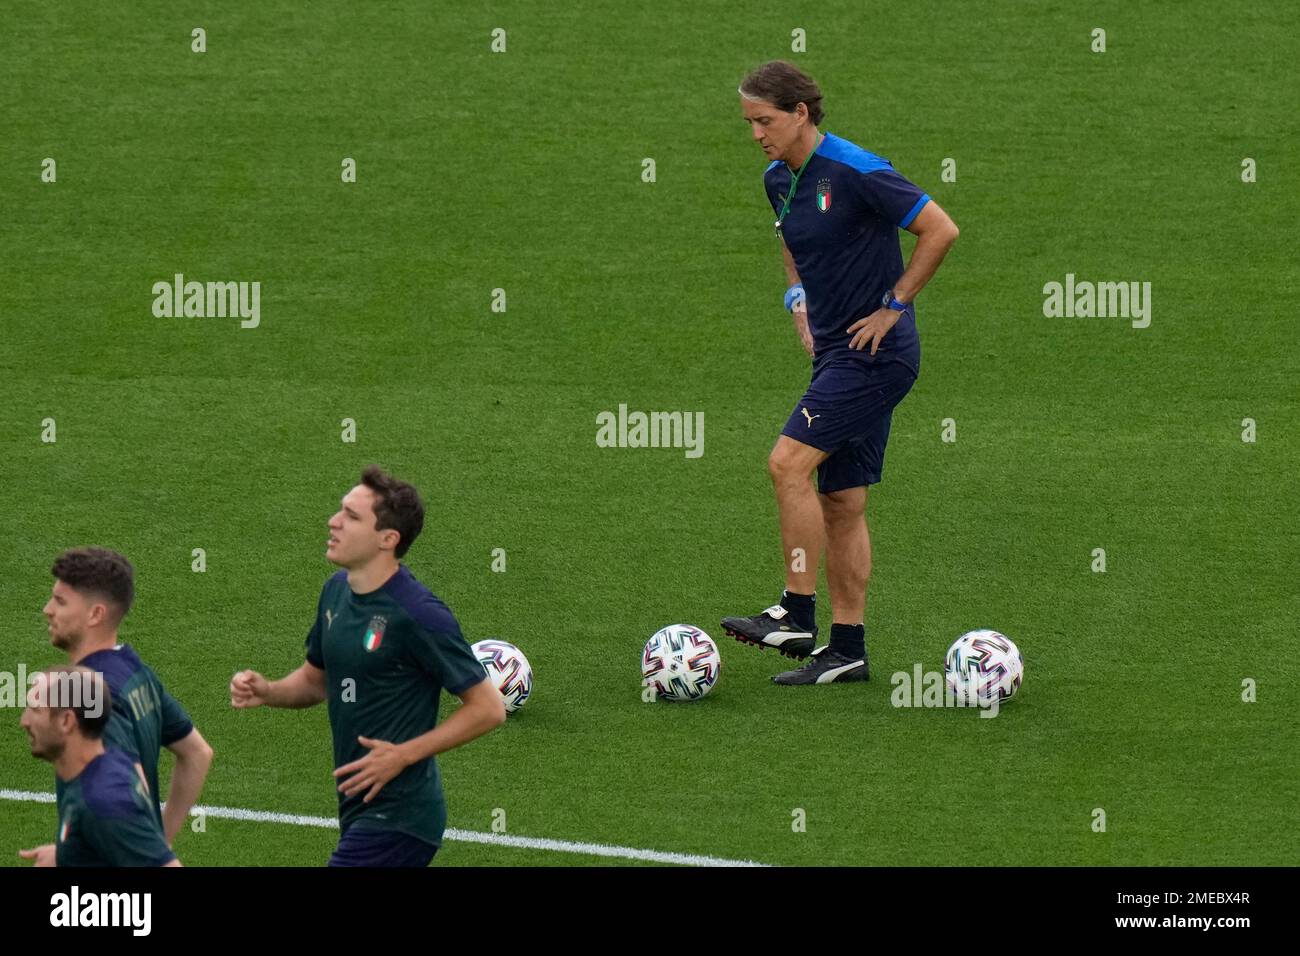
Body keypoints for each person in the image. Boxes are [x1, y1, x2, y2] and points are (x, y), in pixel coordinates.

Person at [724, 61, 960, 685]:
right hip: (834, 351)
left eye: (765, 121)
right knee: (842, 500)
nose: (756, 135)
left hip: (874, 354)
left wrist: (894, 307)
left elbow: (940, 229)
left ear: (801, 113)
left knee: (786, 464)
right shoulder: (780, 178)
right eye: (749, 123)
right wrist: (796, 301)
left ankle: (796, 611)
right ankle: (847, 648)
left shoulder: (858, 170)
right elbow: (791, 239)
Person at [230, 465, 505, 867]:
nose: (333, 521)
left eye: (351, 516)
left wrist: (402, 756)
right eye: (340, 510)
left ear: (387, 539)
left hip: (401, 817)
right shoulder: (336, 593)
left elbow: (488, 708)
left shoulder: (418, 614)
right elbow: (315, 680)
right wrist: (268, 690)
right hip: (358, 809)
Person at [22, 547, 212, 867]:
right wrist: (158, 839)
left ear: (95, 614)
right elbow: (197, 753)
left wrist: (150, 848)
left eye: (61, 601)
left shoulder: (93, 699)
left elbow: (118, 787)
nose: (47, 610)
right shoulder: (132, 669)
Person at [20, 666, 181, 866]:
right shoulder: (96, 769)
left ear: (66, 721)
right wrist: (67, 855)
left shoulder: (104, 801)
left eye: (35, 710)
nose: (24, 721)